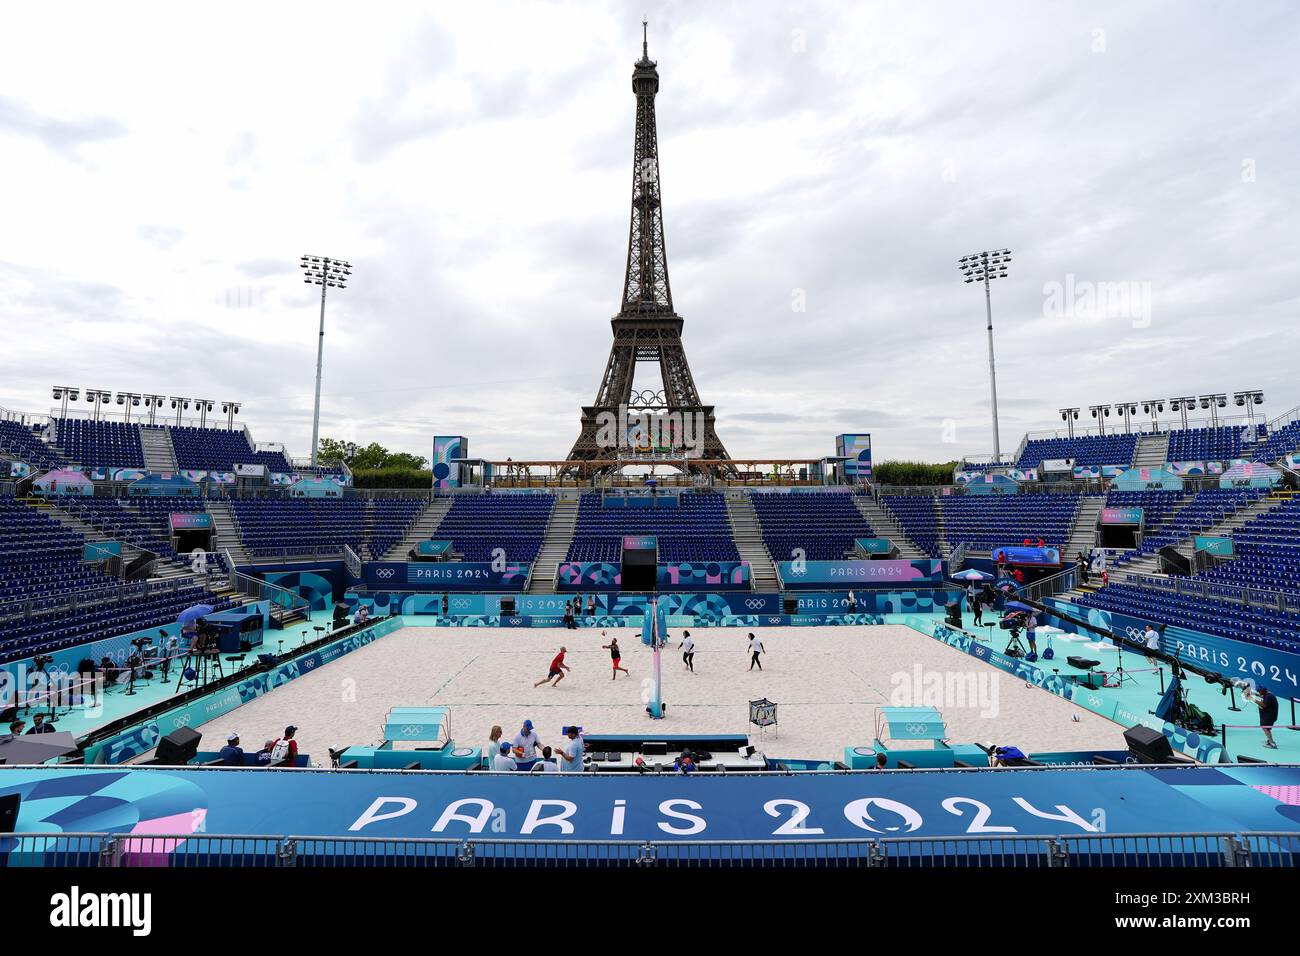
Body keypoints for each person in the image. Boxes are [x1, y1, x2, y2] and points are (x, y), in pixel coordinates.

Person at [1246, 685, 1279, 750]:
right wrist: (1253, 693)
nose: (1258, 692)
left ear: (1262, 691)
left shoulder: (1269, 697)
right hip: (1269, 715)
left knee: (1265, 728)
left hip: (1269, 716)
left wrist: (1252, 698)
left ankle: (1272, 743)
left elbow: (1263, 705)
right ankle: (1270, 740)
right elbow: (1262, 696)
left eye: (1259, 691)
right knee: (1266, 728)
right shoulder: (1268, 694)